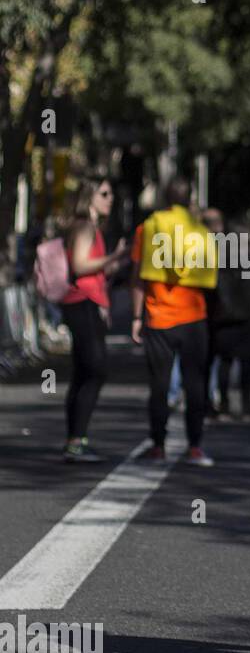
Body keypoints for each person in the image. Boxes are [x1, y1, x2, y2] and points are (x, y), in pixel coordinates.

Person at [131, 177, 217, 467]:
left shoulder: (148, 227)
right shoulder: (201, 232)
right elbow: (209, 281)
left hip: (159, 318)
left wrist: (135, 316)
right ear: (189, 199)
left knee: (159, 386)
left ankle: (158, 446)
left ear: (164, 198)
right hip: (193, 318)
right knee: (195, 384)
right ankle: (195, 447)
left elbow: (138, 277)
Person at [62, 176, 131, 462]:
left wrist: (115, 263)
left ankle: (76, 439)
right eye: (104, 193)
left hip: (88, 303)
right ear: (89, 196)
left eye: (111, 193)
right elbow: (79, 266)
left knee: (84, 371)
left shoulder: (92, 229)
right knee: (95, 369)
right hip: (82, 303)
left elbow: (94, 272)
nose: (110, 198)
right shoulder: (85, 227)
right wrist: (112, 257)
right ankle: (76, 441)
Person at [207, 210, 250, 420]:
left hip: (223, 317)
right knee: (247, 364)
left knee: (225, 363)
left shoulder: (219, 258)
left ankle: (224, 405)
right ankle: (246, 406)